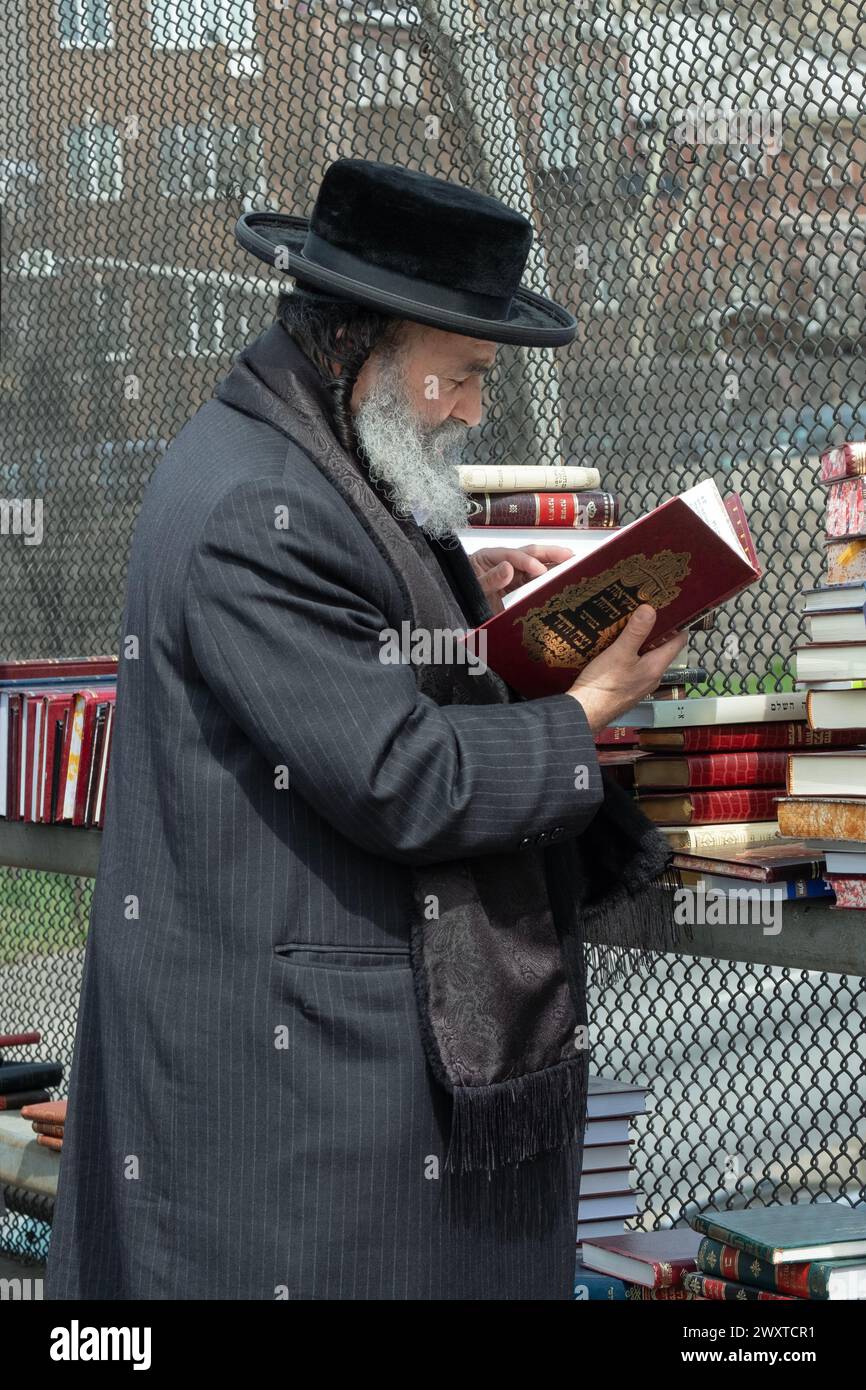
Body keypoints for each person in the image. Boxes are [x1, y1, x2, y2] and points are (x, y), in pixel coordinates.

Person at [45, 158, 685, 1301]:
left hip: (300, 1060)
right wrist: (586, 715)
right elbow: (400, 774)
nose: (475, 409)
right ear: (361, 345)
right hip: (302, 1086)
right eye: (460, 376)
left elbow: (347, 628)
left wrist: (470, 585)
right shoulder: (257, 504)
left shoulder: (298, 455)